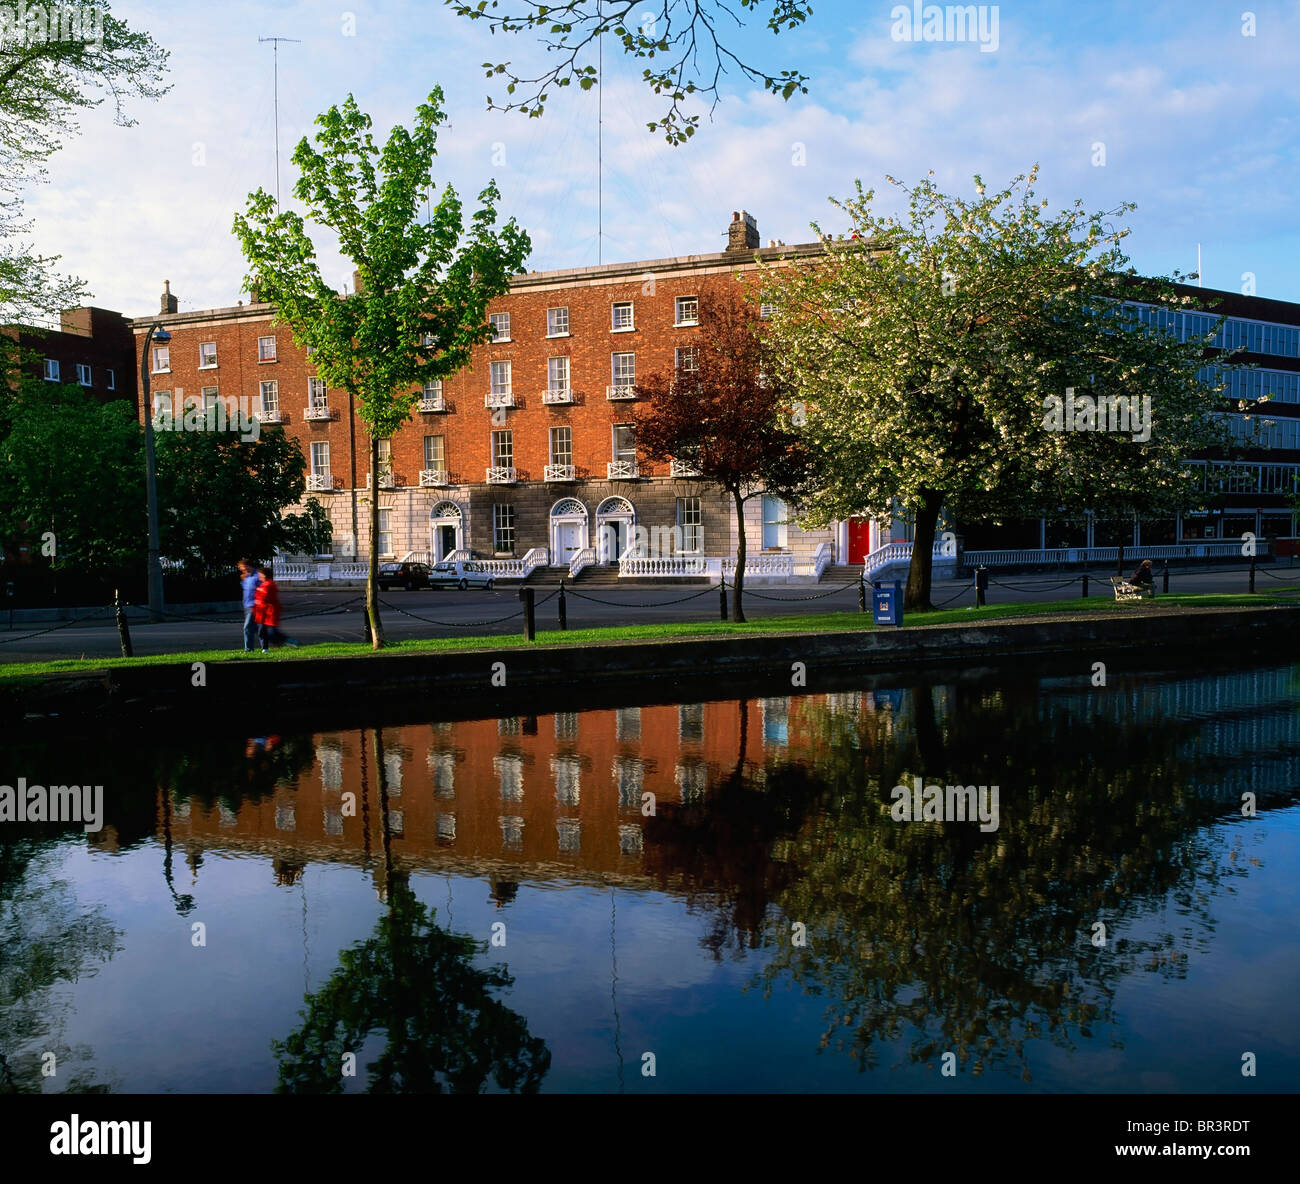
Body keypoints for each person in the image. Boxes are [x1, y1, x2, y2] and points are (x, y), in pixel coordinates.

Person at [253, 565, 298, 650]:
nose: (259, 576)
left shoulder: (269, 585)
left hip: (269, 612)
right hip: (264, 612)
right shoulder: (265, 584)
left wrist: (257, 602)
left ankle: (288, 641)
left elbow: (265, 598)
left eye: (260, 574)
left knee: (272, 632)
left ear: (265, 575)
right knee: (263, 631)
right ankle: (269, 647)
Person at [237, 559, 262, 651]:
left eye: (242, 567)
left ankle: (248, 649)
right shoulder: (246, 577)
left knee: (247, 627)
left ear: (248, 566)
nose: (241, 570)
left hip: (254, 606)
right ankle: (283, 640)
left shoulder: (257, 576)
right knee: (257, 629)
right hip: (247, 606)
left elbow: (263, 589)